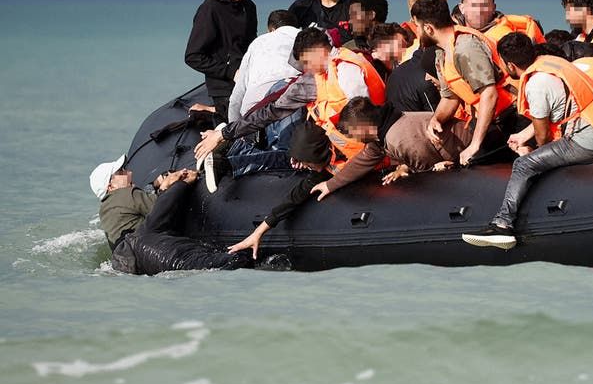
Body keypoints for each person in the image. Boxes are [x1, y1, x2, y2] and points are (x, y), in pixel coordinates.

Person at [461, 33, 593, 249]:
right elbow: (556, 109)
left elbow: (543, 136)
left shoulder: (535, 84)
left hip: (592, 139)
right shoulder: (551, 63)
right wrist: (522, 136)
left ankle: (502, 225)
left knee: (523, 165)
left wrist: (533, 153)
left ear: (510, 65)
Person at [192, 27, 386, 185]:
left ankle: (230, 161)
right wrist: (225, 133)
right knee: (297, 151)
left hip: (366, 150)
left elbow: (364, 117)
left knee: (290, 154)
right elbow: (272, 111)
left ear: (318, 51)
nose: (306, 69)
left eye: (306, 63)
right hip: (345, 147)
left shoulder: (346, 71)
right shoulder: (325, 73)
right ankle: (230, 152)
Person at [411, 0, 523, 166]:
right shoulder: (442, 54)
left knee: (479, 162)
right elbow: (450, 97)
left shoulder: (465, 47)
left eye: (417, 27)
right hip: (493, 121)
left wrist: (475, 145)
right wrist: (437, 119)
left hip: (513, 118)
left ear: (428, 29)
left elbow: (489, 94)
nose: (416, 33)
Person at [91, 156, 256, 274]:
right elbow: (159, 208)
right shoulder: (124, 193)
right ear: (110, 186)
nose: (129, 173)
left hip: (127, 263)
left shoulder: (105, 209)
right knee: (222, 262)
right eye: (121, 172)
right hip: (145, 245)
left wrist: (159, 185)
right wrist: (180, 184)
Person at [312, 97, 468, 199]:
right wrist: (330, 185)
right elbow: (362, 160)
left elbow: (431, 172)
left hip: (468, 149)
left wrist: (409, 168)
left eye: (352, 133)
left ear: (364, 127)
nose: (354, 139)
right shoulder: (383, 131)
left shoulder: (398, 139)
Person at [225, 122, 335, 261]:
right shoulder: (319, 169)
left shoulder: (348, 141)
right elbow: (293, 199)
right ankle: (229, 158)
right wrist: (257, 233)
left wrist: (334, 183)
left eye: (309, 165)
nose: (306, 167)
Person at [184, 0, 258, 123]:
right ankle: (211, 111)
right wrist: (231, 72)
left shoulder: (249, 7)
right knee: (244, 122)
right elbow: (192, 56)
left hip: (247, 81)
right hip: (223, 87)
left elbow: (250, 48)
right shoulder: (210, 8)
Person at [451, 0, 545, 44]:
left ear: (493, 8)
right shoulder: (448, 34)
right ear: (462, 8)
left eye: (484, 5)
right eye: (474, 5)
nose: (479, 11)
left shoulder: (508, 37)